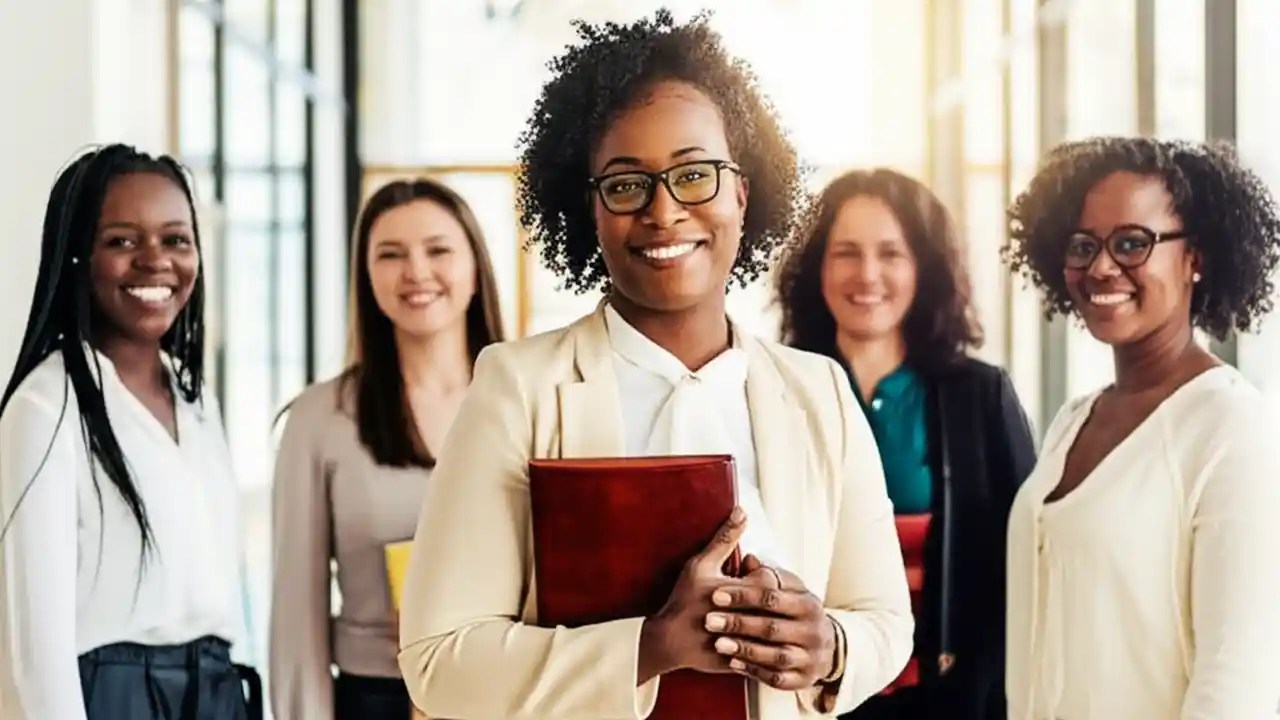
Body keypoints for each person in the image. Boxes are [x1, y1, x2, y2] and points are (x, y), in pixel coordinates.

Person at [395, 11, 913, 720]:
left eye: (694, 174)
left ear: (743, 189)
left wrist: (828, 648)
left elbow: (885, 620)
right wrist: (650, 646)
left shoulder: (817, 390)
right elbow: (437, 662)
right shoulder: (520, 388)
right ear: (590, 211)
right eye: (625, 184)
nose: (664, 212)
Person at [1001, 137, 1280, 719]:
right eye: (1084, 245)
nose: (1102, 266)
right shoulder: (1074, 420)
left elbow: (1237, 683)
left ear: (1195, 257)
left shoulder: (1230, 427)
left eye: (1133, 243)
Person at [0, 144, 257, 719]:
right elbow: (36, 654)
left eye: (175, 239)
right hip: (112, 699)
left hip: (214, 691)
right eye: (121, 240)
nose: (155, 261)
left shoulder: (196, 400)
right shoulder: (47, 407)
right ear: (77, 256)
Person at [776, 168, 1036, 720]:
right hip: (811, 700)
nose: (867, 274)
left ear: (923, 268)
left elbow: (1021, 569)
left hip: (949, 702)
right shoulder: (775, 390)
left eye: (890, 253)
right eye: (846, 252)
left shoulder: (982, 396)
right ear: (817, 268)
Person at [268, 178, 505, 720]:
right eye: (390, 254)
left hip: (505, 693)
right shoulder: (318, 419)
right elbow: (295, 620)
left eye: (438, 250)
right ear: (366, 276)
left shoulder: (529, 400)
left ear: (475, 268)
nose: (416, 272)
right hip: (377, 698)